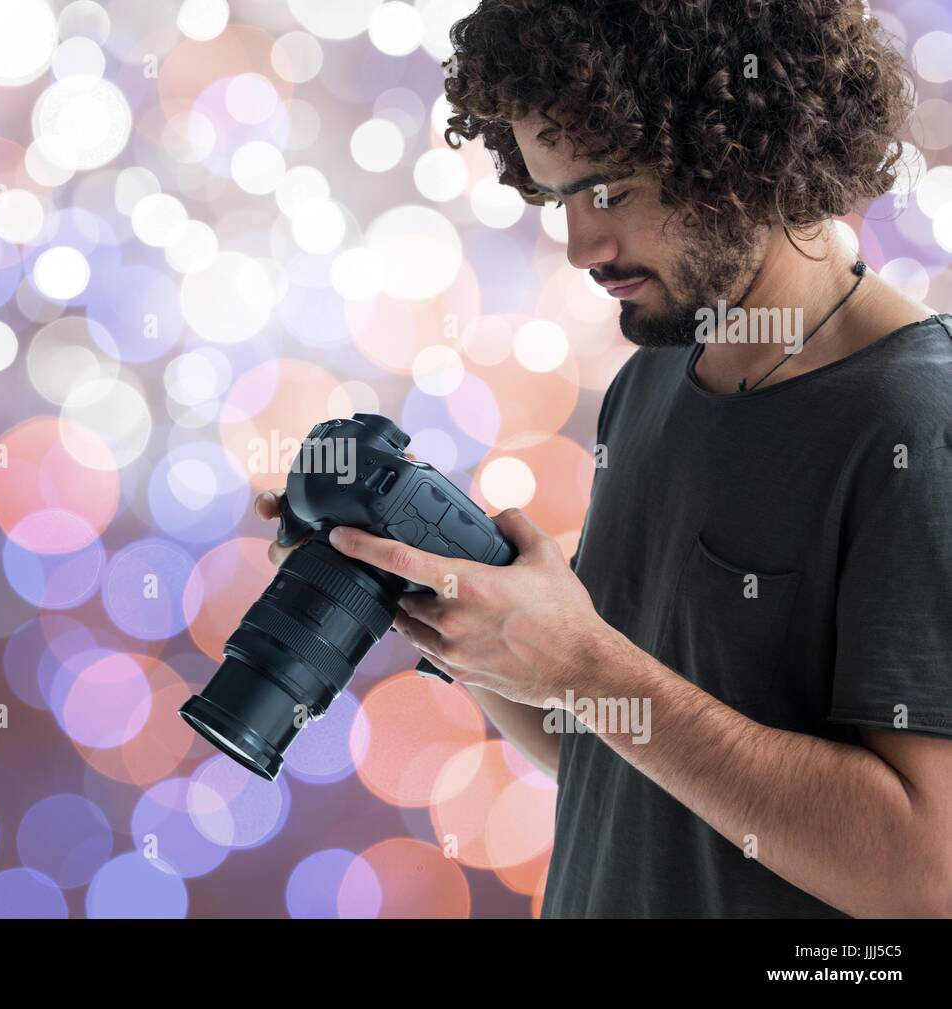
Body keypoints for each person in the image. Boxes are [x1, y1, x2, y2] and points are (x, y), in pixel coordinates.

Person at [258, 0, 952, 918]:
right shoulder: (655, 381)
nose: (582, 246)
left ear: (744, 140)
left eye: (609, 190)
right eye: (557, 199)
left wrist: (585, 666)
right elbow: (610, 741)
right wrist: (436, 591)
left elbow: (926, 872)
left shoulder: (916, 423)